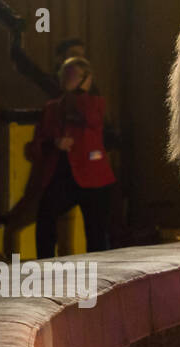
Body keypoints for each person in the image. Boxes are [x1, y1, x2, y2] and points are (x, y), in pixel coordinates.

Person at [27, 57, 116, 256]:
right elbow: (37, 145)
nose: (66, 77)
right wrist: (54, 143)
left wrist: (82, 89)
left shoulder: (94, 103)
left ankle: (102, 274)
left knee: (97, 234)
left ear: (85, 78)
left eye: (72, 74)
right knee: (45, 219)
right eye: (64, 73)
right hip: (62, 177)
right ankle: (45, 268)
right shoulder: (51, 108)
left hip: (93, 178)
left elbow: (92, 119)